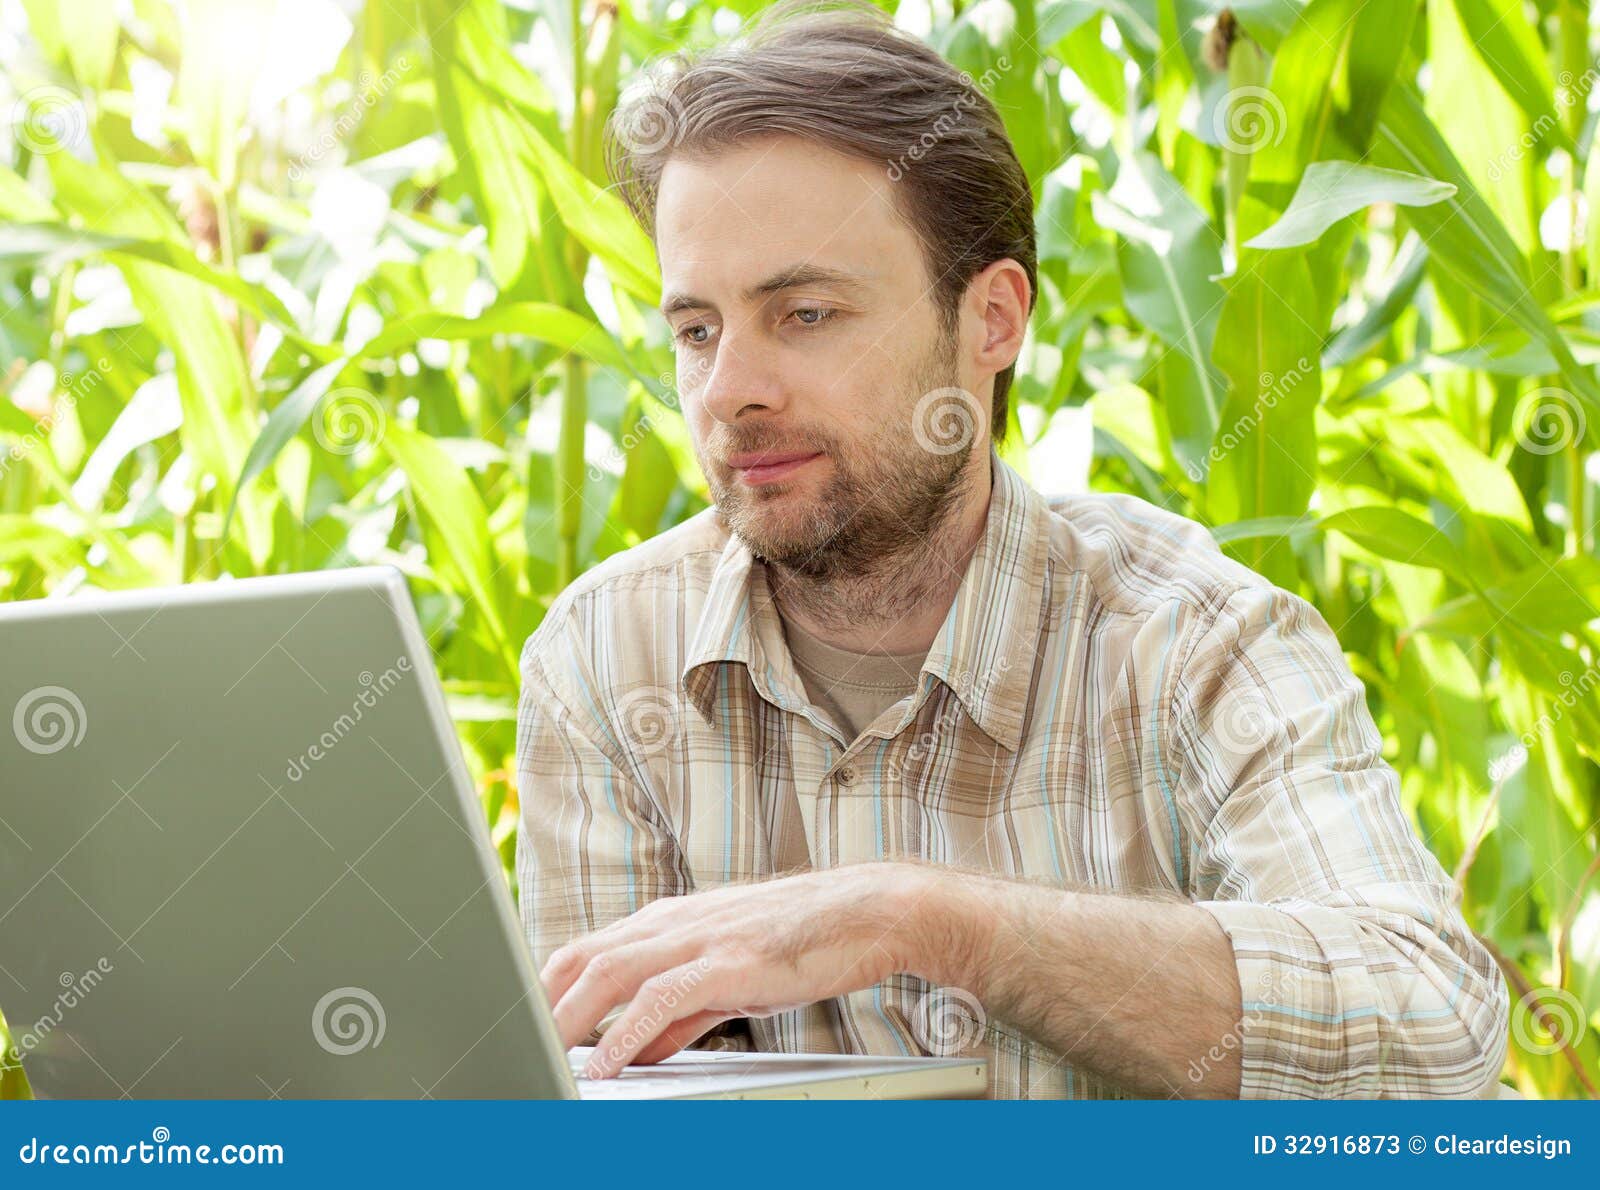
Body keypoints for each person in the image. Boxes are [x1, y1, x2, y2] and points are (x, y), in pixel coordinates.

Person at [513, 0, 1508, 1098]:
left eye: (804, 313)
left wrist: (935, 921)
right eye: (696, 330)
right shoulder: (604, 661)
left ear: (992, 320)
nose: (728, 388)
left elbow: (1437, 1041)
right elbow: (594, 1105)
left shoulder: (1196, 642)